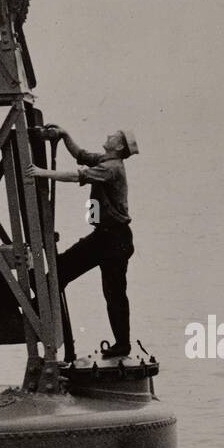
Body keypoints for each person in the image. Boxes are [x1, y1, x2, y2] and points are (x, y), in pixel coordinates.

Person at [26, 127, 139, 362]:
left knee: (112, 292)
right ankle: (37, 312)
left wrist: (40, 172)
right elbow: (80, 154)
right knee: (63, 272)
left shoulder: (111, 168)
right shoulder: (105, 160)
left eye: (113, 135)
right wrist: (65, 134)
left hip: (113, 240)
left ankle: (122, 345)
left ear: (119, 147)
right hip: (106, 237)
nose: (108, 135)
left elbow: (74, 176)